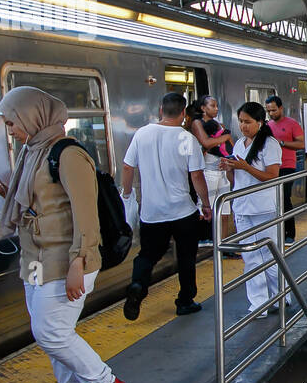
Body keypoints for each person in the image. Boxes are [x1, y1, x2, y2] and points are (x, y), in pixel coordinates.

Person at [0, 87, 128, 383]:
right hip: (35, 258)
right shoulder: (33, 152)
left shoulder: (68, 154)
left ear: (32, 116)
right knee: (52, 332)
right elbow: (38, 201)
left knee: (50, 331)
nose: (9, 128)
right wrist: (4, 191)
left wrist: (80, 262)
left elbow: (85, 213)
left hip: (66, 259)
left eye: (12, 120)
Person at [120, 92, 211, 321]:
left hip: (152, 213)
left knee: (147, 255)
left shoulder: (142, 134)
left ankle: (138, 285)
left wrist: (128, 194)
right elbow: (197, 175)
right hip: (183, 211)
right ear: (183, 114)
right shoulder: (186, 138)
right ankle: (185, 301)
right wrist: (205, 204)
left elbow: (128, 167)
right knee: (186, 257)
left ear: (161, 110)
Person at [219, 103, 283, 319]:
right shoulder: (238, 144)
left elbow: (272, 176)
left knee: (268, 253)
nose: (243, 126)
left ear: (260, 122)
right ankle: (259, 303)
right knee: (251, 255)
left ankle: (280, 295)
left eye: (247, 122)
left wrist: (245, 167)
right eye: (241, 121)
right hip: (242, 206)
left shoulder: (270, 144)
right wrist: (229, 169)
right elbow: (235, 180)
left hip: (263, 207)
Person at [187, 96, 234, 251]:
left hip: (222, 168)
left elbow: (226, 144)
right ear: (203, 108)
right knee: (205, 206)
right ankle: (202, 237)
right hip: (207, 169)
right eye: (212, 106)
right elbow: (205, 142)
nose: (216, 108)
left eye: (216, 106)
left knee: (224, 209)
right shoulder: (196, 123)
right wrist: (225, 137)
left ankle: (224, 243)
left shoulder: (218, 124)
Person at [264, 96, 304, 246]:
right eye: (269, 111)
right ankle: (277, 231)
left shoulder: (292, 124)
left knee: (284, 198)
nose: (271, 113)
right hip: (272, 166)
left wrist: (282, 143)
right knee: (274, 200)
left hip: (287, 165)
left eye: (274, 110)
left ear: (281, 108)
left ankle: (290, 233)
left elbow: (301, 144)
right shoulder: (268, 125)